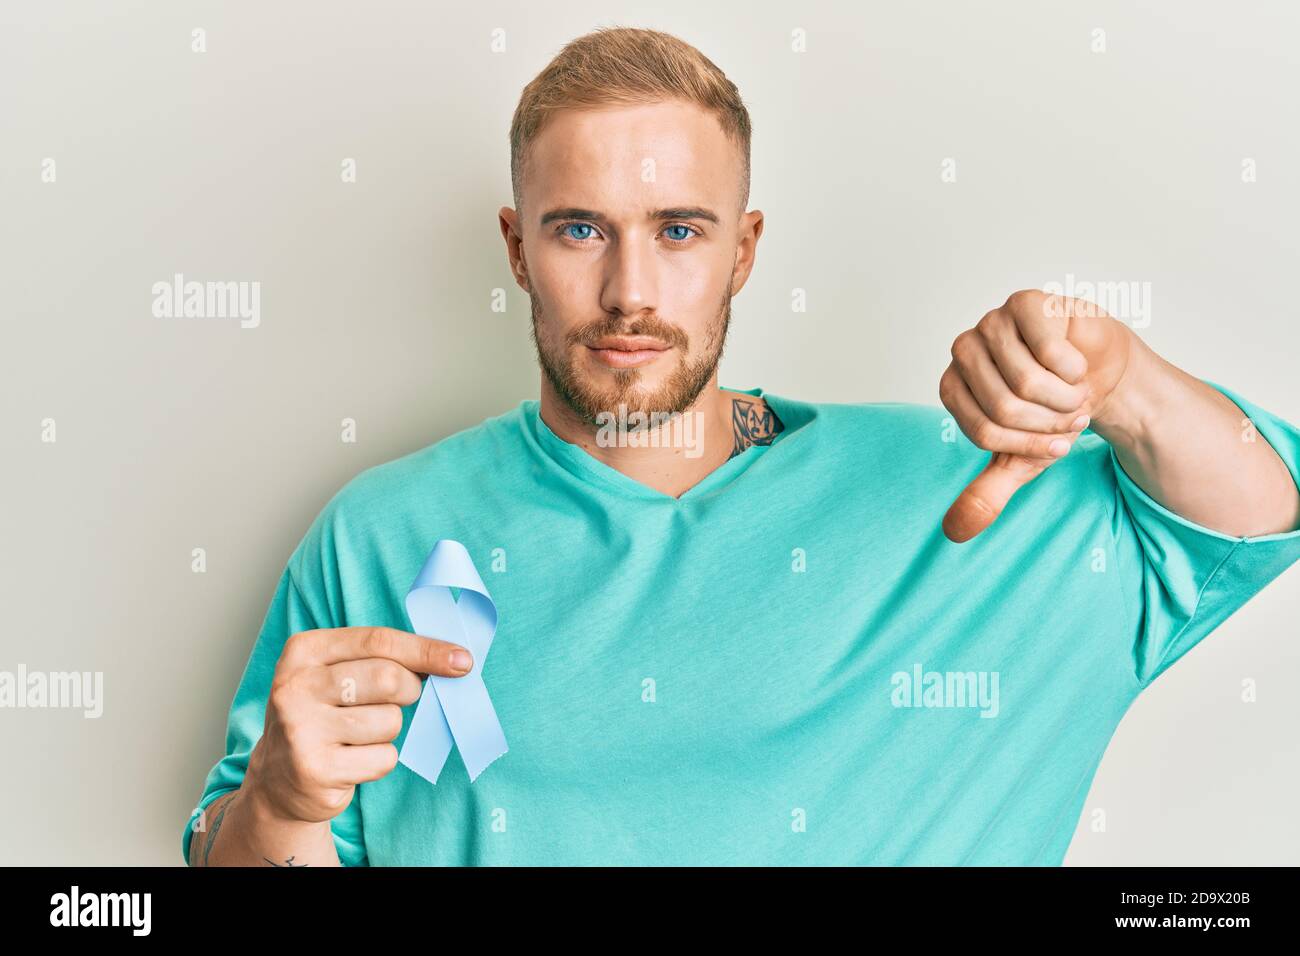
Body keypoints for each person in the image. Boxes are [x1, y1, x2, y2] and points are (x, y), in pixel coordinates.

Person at [183, 27, 1300, 866]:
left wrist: (1119, 376)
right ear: (517, 248)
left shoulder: (958, 494)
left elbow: (1251, 512)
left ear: (745, 250)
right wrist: (279, 807)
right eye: (581, 230)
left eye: (678, 231)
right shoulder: (385, 536)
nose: (629, 291)